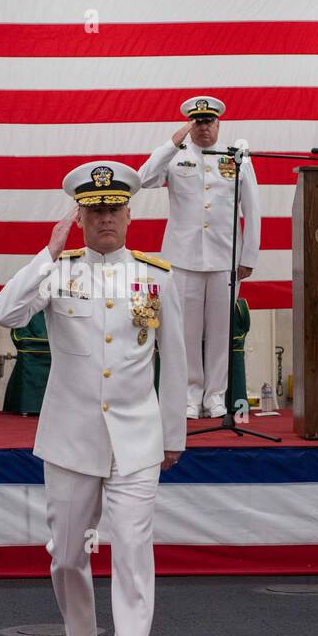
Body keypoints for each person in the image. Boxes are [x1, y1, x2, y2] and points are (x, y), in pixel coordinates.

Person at [0, 160, 187, 636]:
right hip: (70, 438)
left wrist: (174, 433)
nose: (106, 217)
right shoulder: (59, 271)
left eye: (114, 208)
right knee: (67, 556)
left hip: (137, 439)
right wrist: (47, 255)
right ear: (80, 216)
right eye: (95, 209)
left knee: (132, 556)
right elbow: (4, 312)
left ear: (130, 212)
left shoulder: (157, 276)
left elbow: (174, 361)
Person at [138, 95, 261, 419]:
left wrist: (248, 255)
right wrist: (171, 143)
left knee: (221, 332)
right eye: (198, 122)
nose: (204, 128)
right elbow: (144, 179)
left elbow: (252, 208)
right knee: (185, 333)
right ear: (190, 124)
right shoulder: (175, 158)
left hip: (225, 258)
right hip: (183, 259)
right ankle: (190, 396)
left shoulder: (236, 158)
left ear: (219, 124)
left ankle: (216, 397)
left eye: (209, 122)